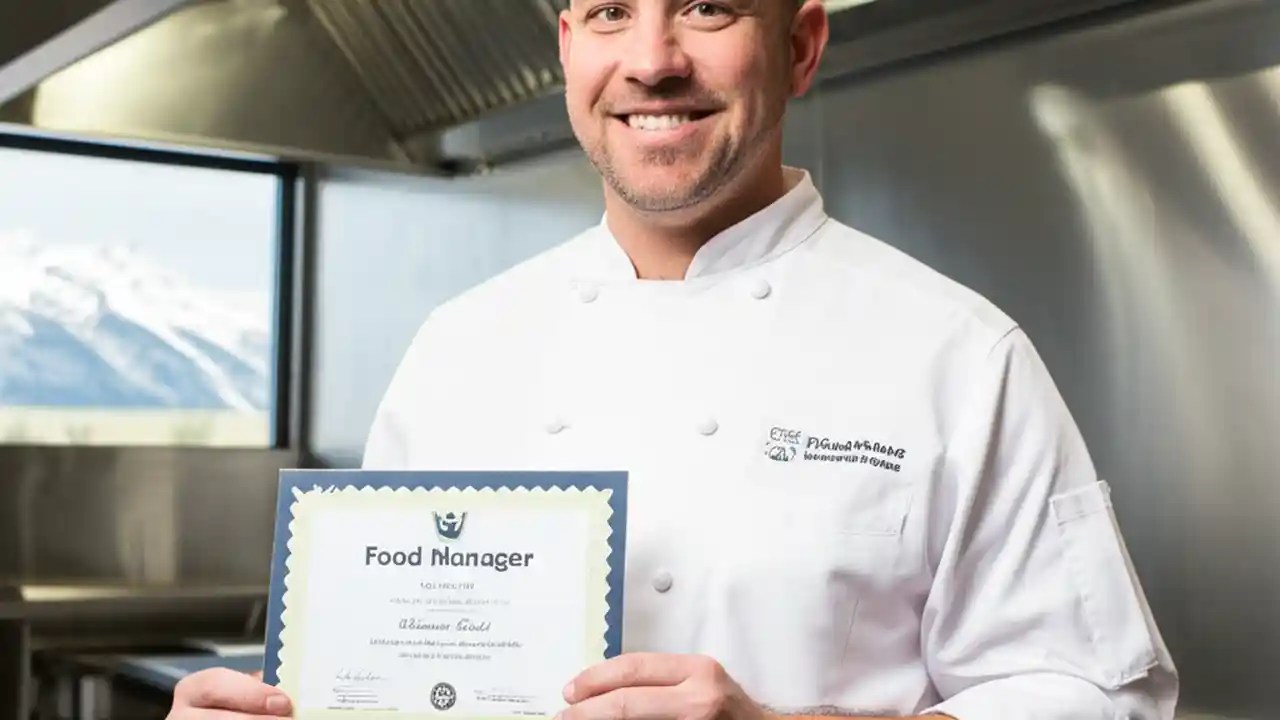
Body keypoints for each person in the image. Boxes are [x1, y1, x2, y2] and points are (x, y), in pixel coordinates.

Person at [167, 0, 1179, 718]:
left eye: (704, 8)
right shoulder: (457, 348)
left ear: (800, 44)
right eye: (609, 12)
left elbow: (1097, 699)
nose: (651, 60)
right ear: (567, 48)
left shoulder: (958, 356)